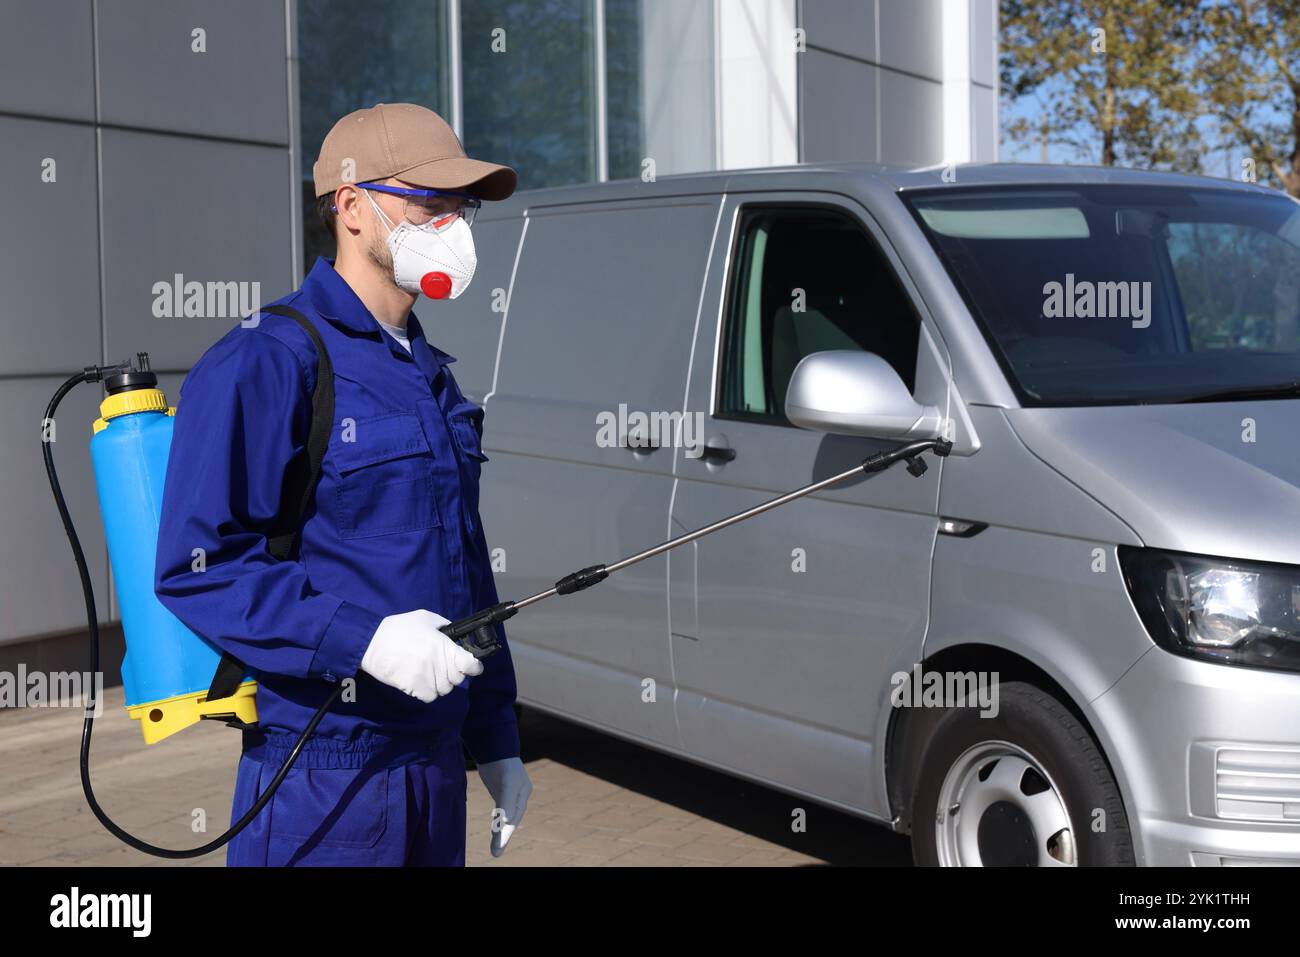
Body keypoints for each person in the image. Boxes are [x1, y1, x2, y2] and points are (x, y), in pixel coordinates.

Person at [154, 103, 531, 866]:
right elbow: (198, 568)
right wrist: (367, 640)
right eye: (429, 203)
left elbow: (466, 566)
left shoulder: (430, 375)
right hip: (324, 782)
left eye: (460, 207)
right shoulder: (266, 360)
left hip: (435, 768)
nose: (452, 223)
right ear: (352, 207)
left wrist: (496, 735)